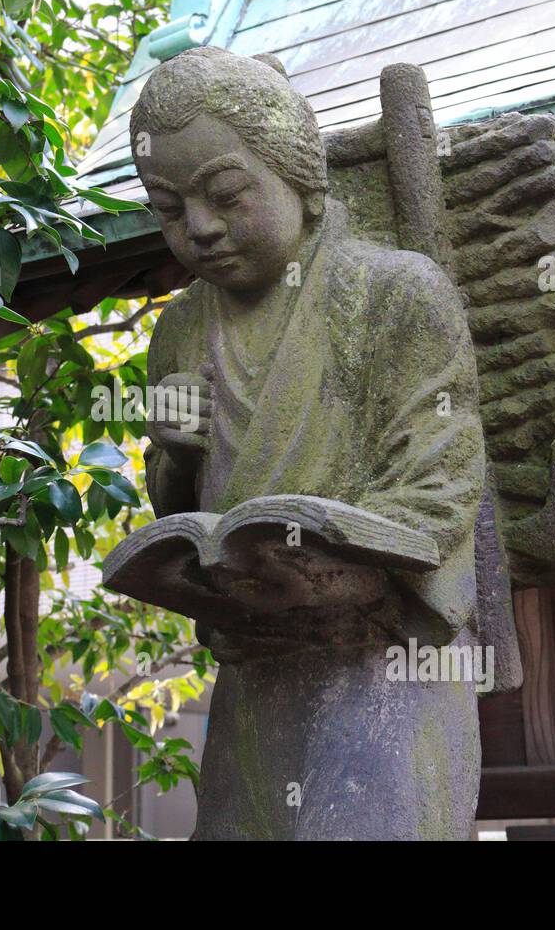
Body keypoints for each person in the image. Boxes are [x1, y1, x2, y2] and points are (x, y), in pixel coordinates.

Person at [129, 46, 488, 839]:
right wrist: (177, 454)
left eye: (224, 194)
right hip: (258, 664)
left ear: (300, 175)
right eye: (167, 207)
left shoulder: (396, 294)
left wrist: (340, 551)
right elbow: (184, 504)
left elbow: (440, 487)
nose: (201, 228)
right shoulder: (182, 328)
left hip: (387, 659)